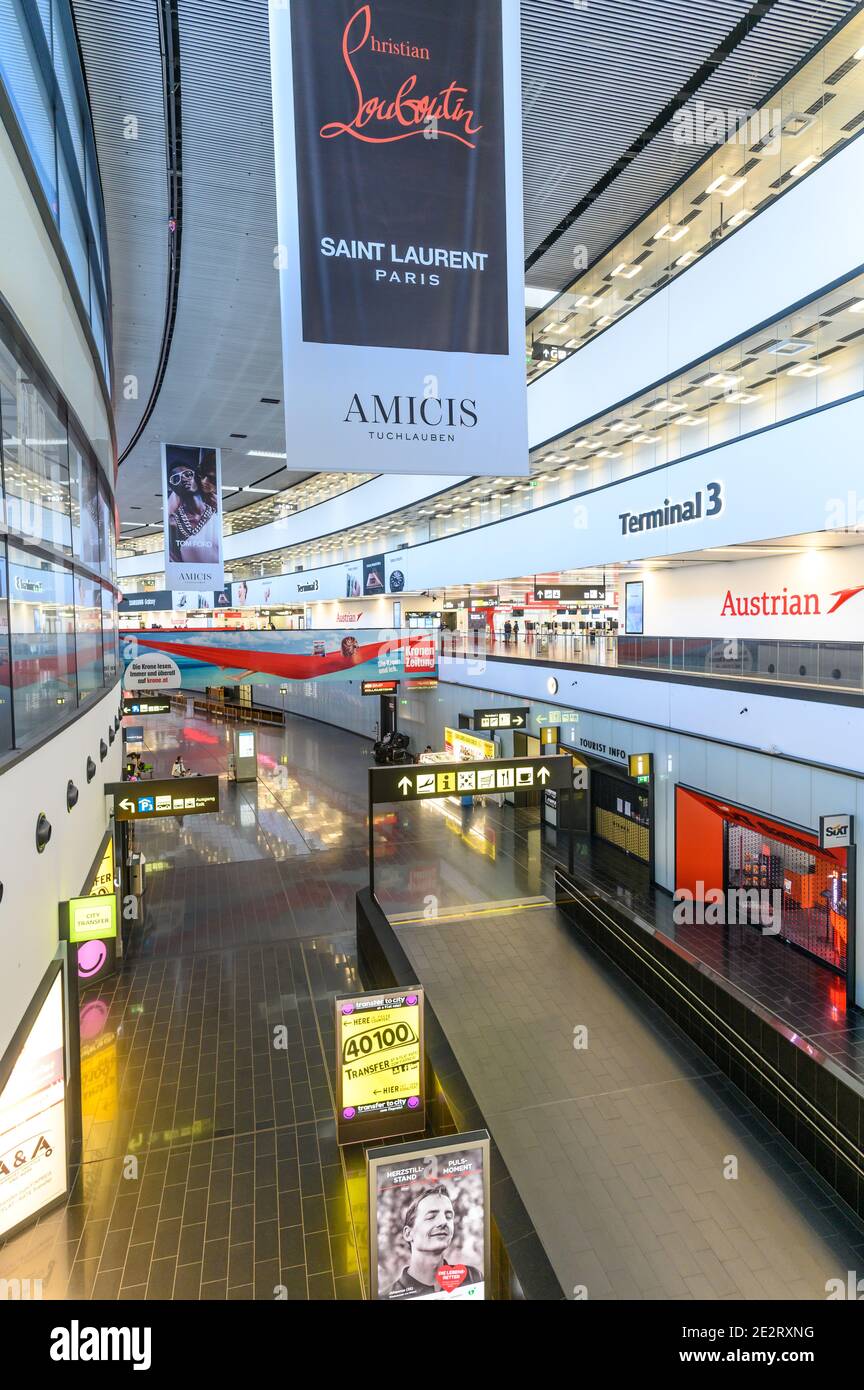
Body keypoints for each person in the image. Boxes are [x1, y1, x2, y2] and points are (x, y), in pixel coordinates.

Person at [385, 1184, 482, 1299]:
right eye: (431, 1217)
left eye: (448, 1216)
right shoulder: (386, 1297)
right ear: (408, 1234)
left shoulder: (473, 1277)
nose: (443, 1222)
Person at [166, 449, 220, 565]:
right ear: (172, 488)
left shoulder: (216, 509)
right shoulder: (173, 522)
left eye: (188, 474)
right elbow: (174, 560)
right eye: (176, 479)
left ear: (196, 476)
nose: (184, 479)